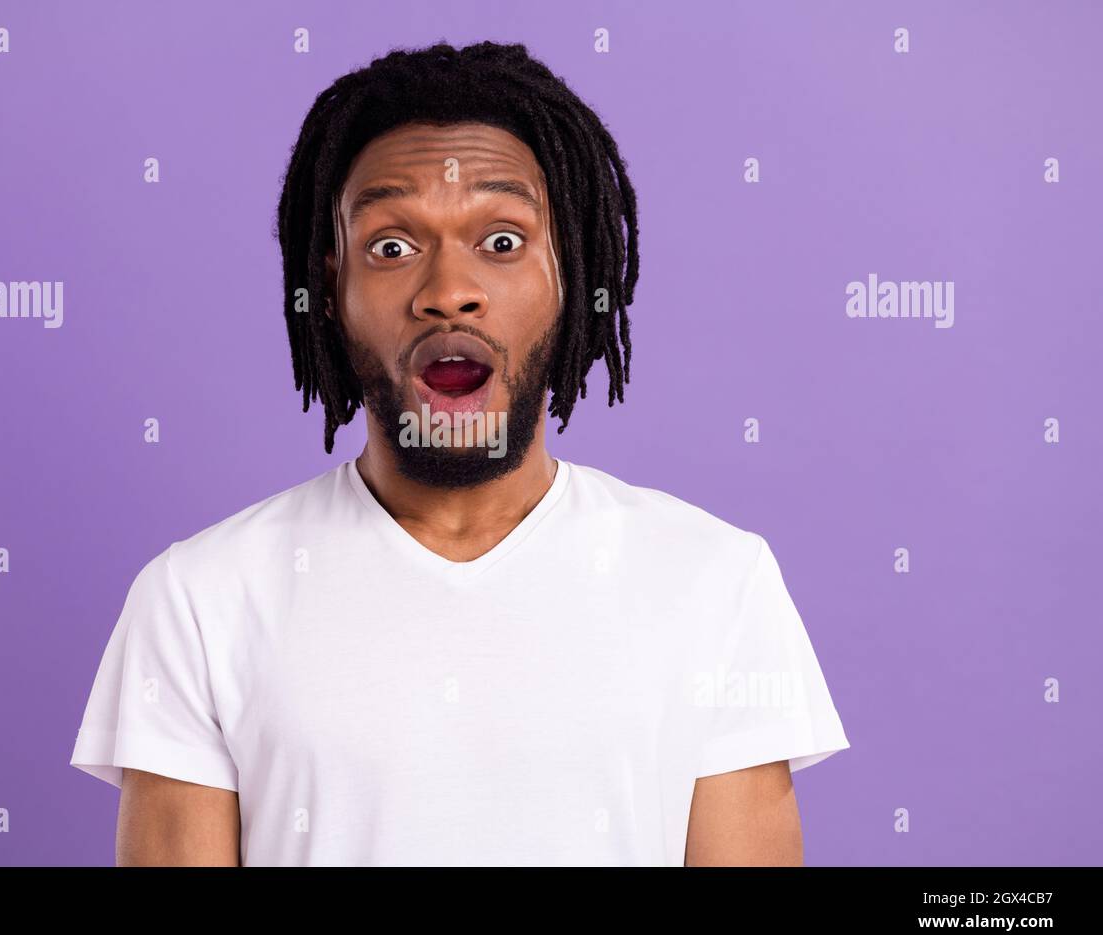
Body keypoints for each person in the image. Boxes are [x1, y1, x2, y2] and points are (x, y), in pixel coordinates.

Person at [70, 40, 850, 866]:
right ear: (329, 290)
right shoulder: (197, 600)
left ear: (571, 274)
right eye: (392, 247)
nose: (447, 289)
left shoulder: (716, 582)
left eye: (503, 241)